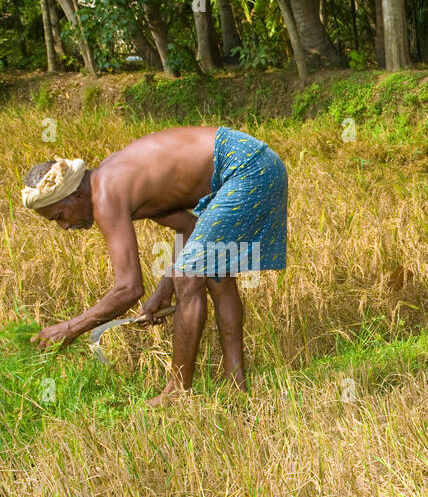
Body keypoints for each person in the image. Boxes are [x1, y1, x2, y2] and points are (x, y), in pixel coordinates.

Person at [22, 126, 287, 405]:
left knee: (189, 277)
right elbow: (190, 228)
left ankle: (177, 391)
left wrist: (70, 328)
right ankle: (237, 385)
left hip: (246, 168)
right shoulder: (115, 179)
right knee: (214, 275)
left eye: (59, 216)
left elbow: (128, 288)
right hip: (256, 161)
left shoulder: (105, 195)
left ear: (75, 195)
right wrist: (164, 288)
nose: (64, 226)